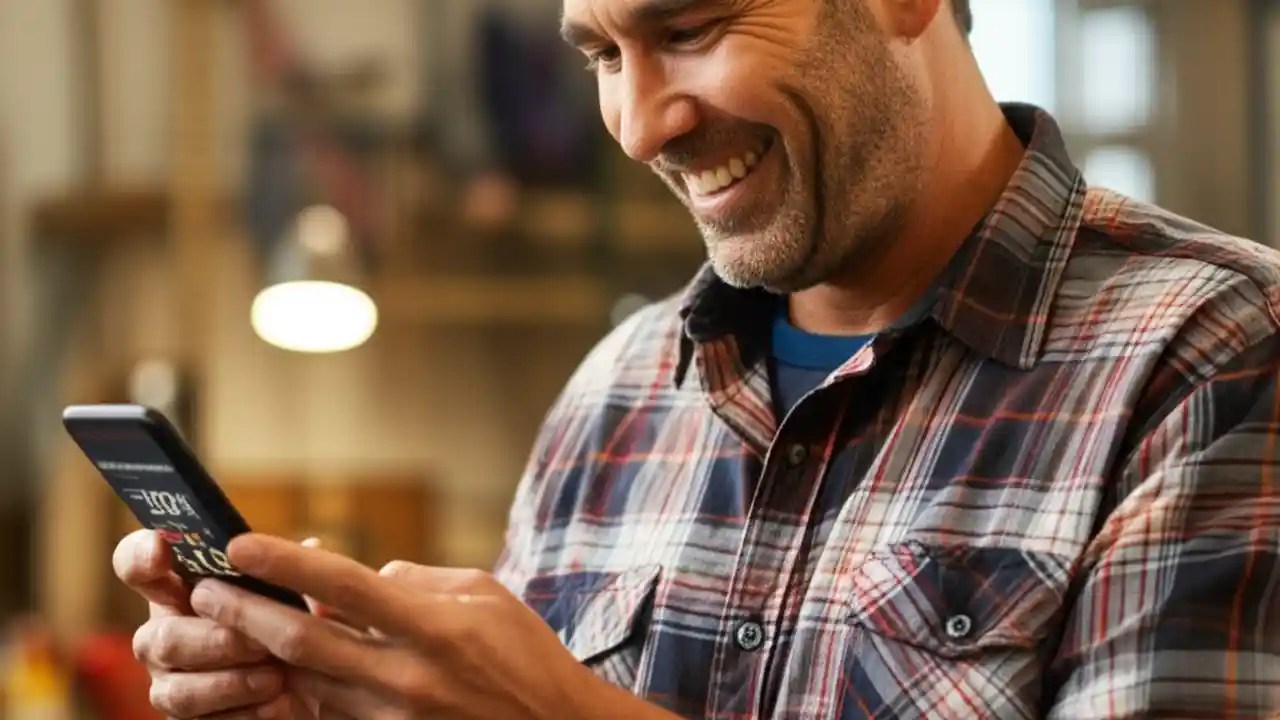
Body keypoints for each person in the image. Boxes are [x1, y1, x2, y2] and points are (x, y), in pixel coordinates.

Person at [115, 0, 1280, 717]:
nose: (638, 126)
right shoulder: (614, 394)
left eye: (687, 31)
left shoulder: (1211, 354)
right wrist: (329, 699)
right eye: (601, 54)